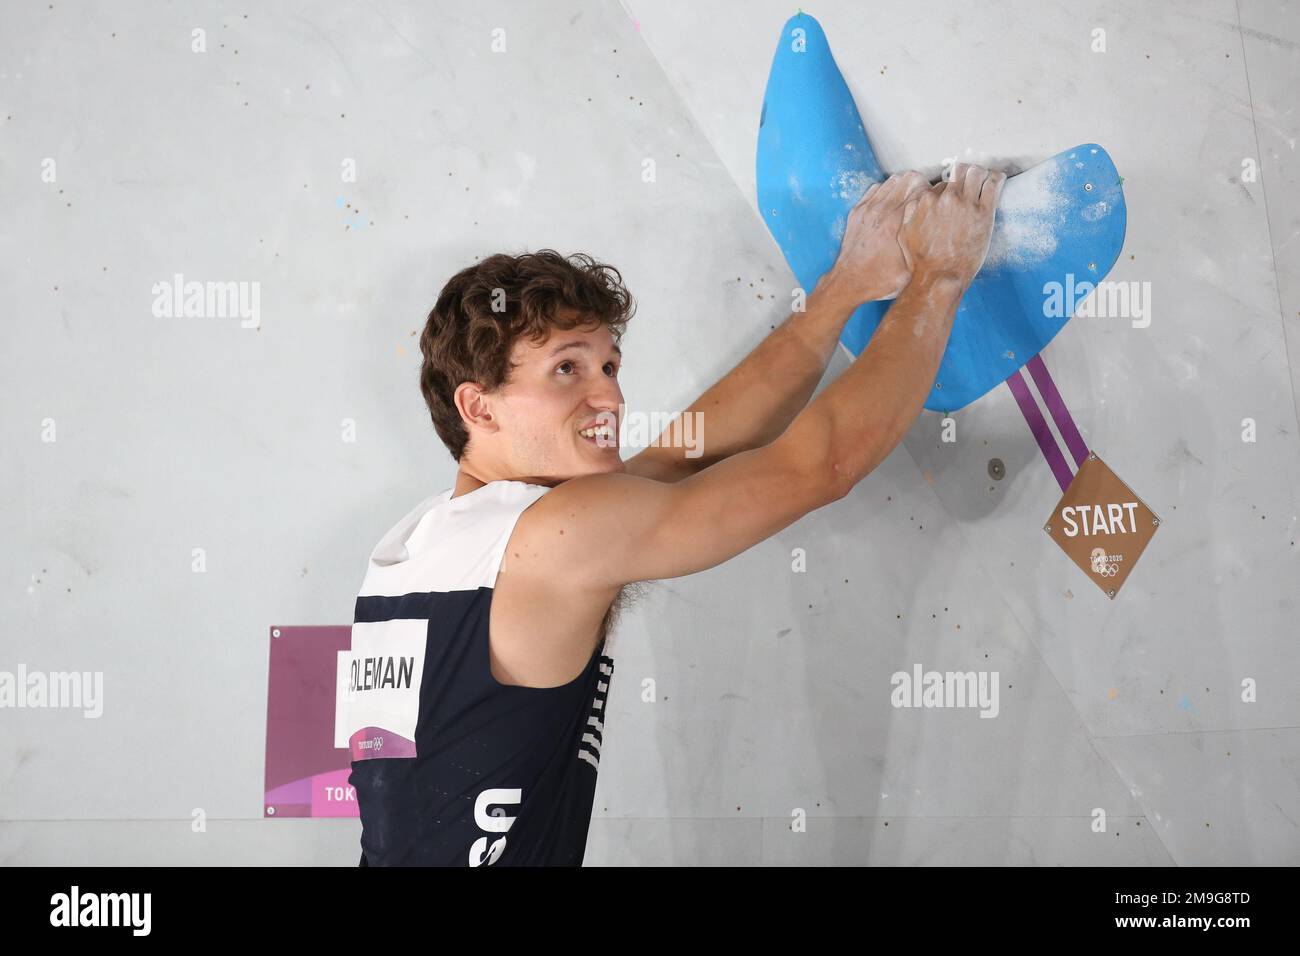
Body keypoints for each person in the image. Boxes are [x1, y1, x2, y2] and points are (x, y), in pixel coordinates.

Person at [348, 163, 1006, 866]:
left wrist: (845, 288)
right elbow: (821, 466)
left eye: (610, 367)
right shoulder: (551, 538)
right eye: (567, 369)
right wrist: (939, 280)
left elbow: (681, 459)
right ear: (479, 407)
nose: (608, 398)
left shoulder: (414, 548)